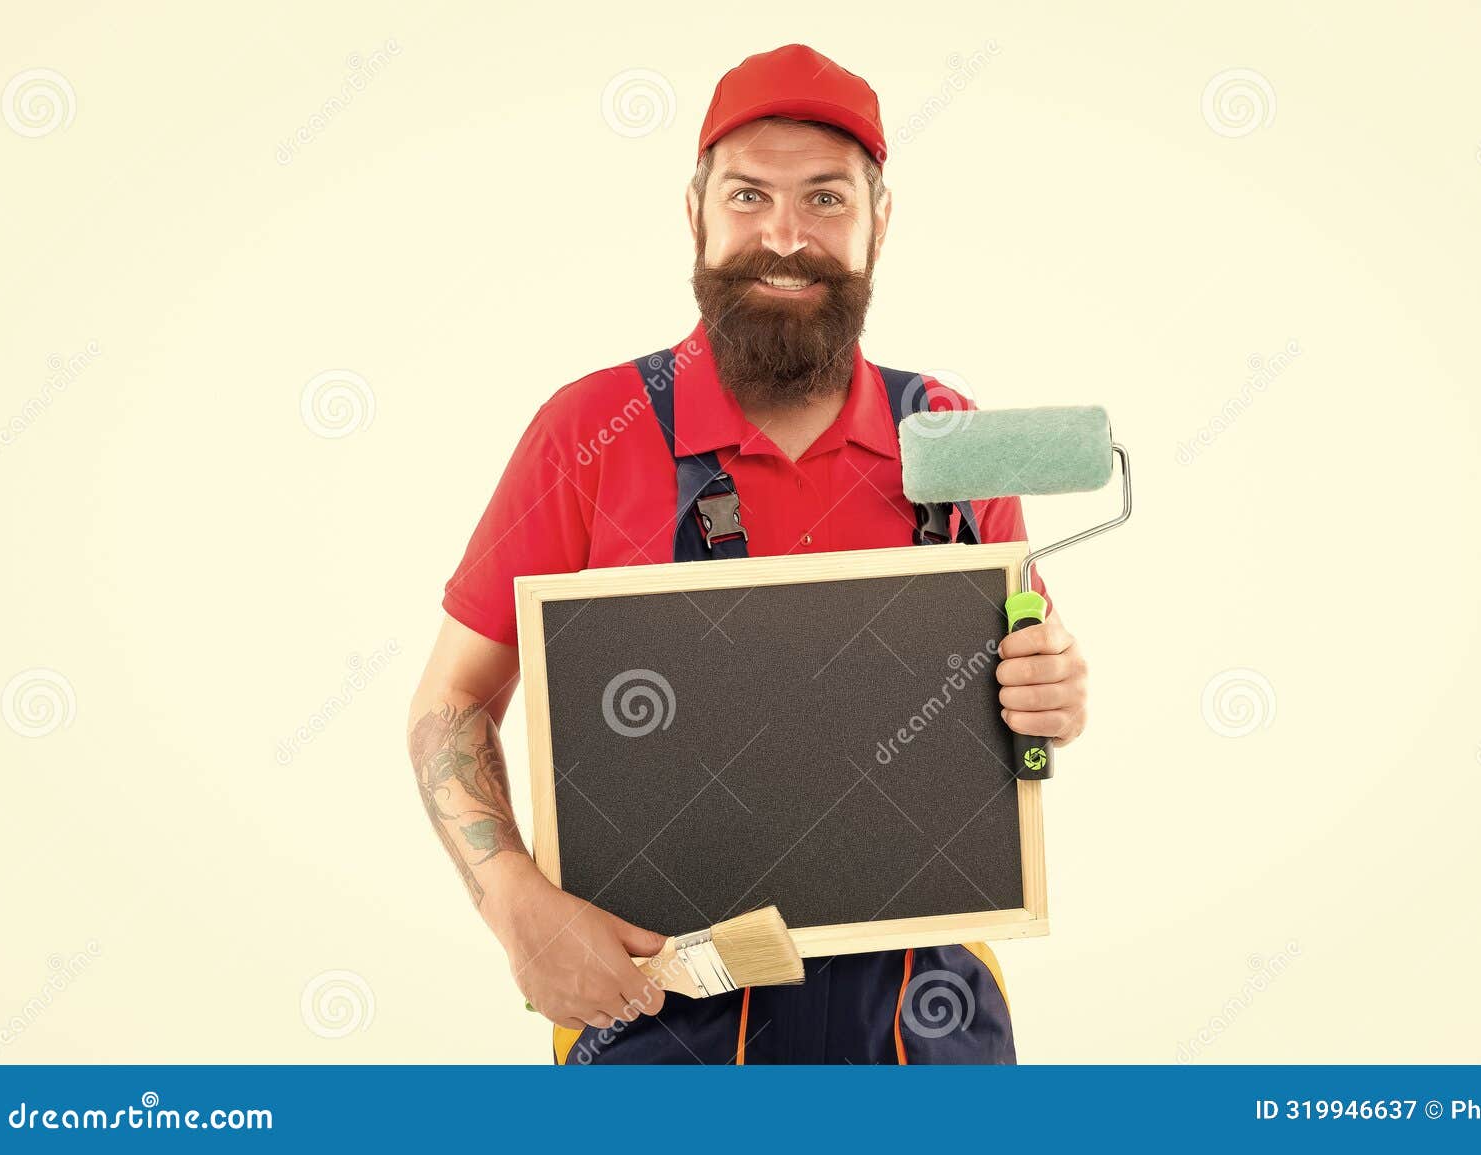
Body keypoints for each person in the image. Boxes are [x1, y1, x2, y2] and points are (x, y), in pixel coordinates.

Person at [406, 43, 1089, 1064]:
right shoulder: (590, 428)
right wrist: (515, 905)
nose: (784, 235)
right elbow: (449, 702)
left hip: (924, 1021)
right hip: (655, 1018)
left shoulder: (947, 433)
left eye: (824, 199)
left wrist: (1053, 692)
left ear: (878, 221)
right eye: (747, 196)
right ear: (696, 214)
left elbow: (1015, 695)